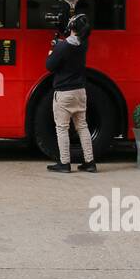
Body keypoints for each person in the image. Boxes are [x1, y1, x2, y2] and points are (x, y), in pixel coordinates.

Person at [45, 12, 97, 173]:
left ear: (72, 27)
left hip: (64, 93)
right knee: (82, 126)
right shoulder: (84, 43)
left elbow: (50, 65)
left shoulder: (62, 46)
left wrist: (52, 50)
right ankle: (90, 162)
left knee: (62, 128)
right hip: (80, 91)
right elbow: (71, 44)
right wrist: (59, 44)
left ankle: (64, 163)